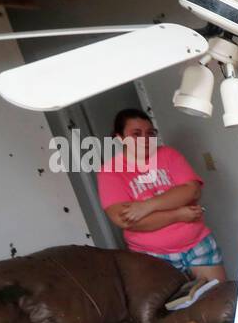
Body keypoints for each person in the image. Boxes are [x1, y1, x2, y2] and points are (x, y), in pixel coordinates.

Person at [97, 109, 226, 307]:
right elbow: (125, 220)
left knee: (222, 302)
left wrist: (147, 206)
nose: (145, 139)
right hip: (151, 255)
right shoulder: (110, 172)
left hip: (197, 243)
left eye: (150, 133)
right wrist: (178, 214)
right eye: (136, 134)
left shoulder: (168, 155)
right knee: (175, 313)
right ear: (119, 138)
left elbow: (191, 191)